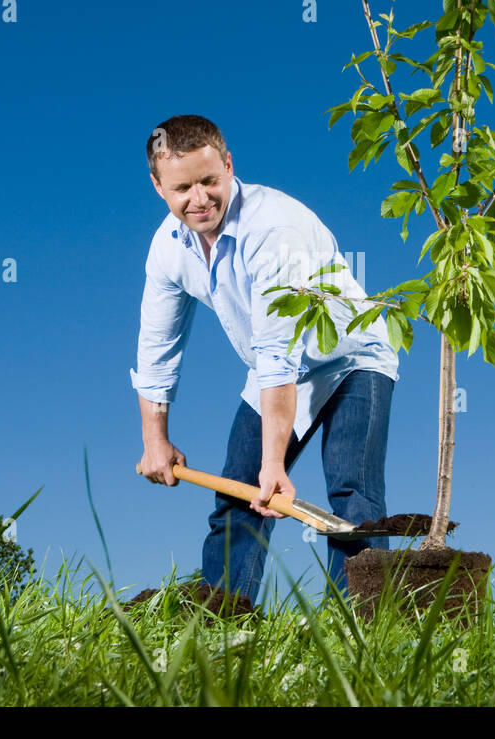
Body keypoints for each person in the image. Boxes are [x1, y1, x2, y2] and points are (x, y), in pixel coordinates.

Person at [131, 114, 399, 603]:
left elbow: (280, 353)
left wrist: (273, 465)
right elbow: (157, 349)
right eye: (182, 187)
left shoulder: (273, 229)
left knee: (352, 497)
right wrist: (156, 440)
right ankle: (224, 615)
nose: (199, 199)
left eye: (210, 181)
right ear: (159, 187)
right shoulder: (168, 249)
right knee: (237, 494)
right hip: (271, 372)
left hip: (352, 356)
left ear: (229, 165)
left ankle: (358, 624)